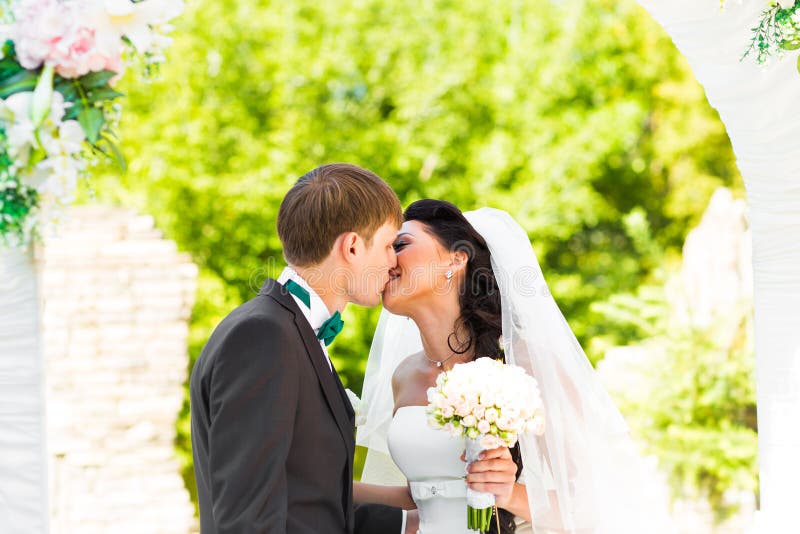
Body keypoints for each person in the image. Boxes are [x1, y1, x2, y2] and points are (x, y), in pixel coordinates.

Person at [189, 165, 518, 533]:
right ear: (352, 247)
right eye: (389, 245)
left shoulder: (290, 333)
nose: (393, 262)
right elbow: (247, 520)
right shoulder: (263, 336)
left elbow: (308, 504)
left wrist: (426, 522)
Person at [357, 200, 673, 533]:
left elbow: (590, 503)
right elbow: (421, 496)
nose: (387, 259)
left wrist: (509, 494)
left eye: (400, 245)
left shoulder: (524, 364)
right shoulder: (405, 375)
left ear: (456, 258)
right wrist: (329, 486)